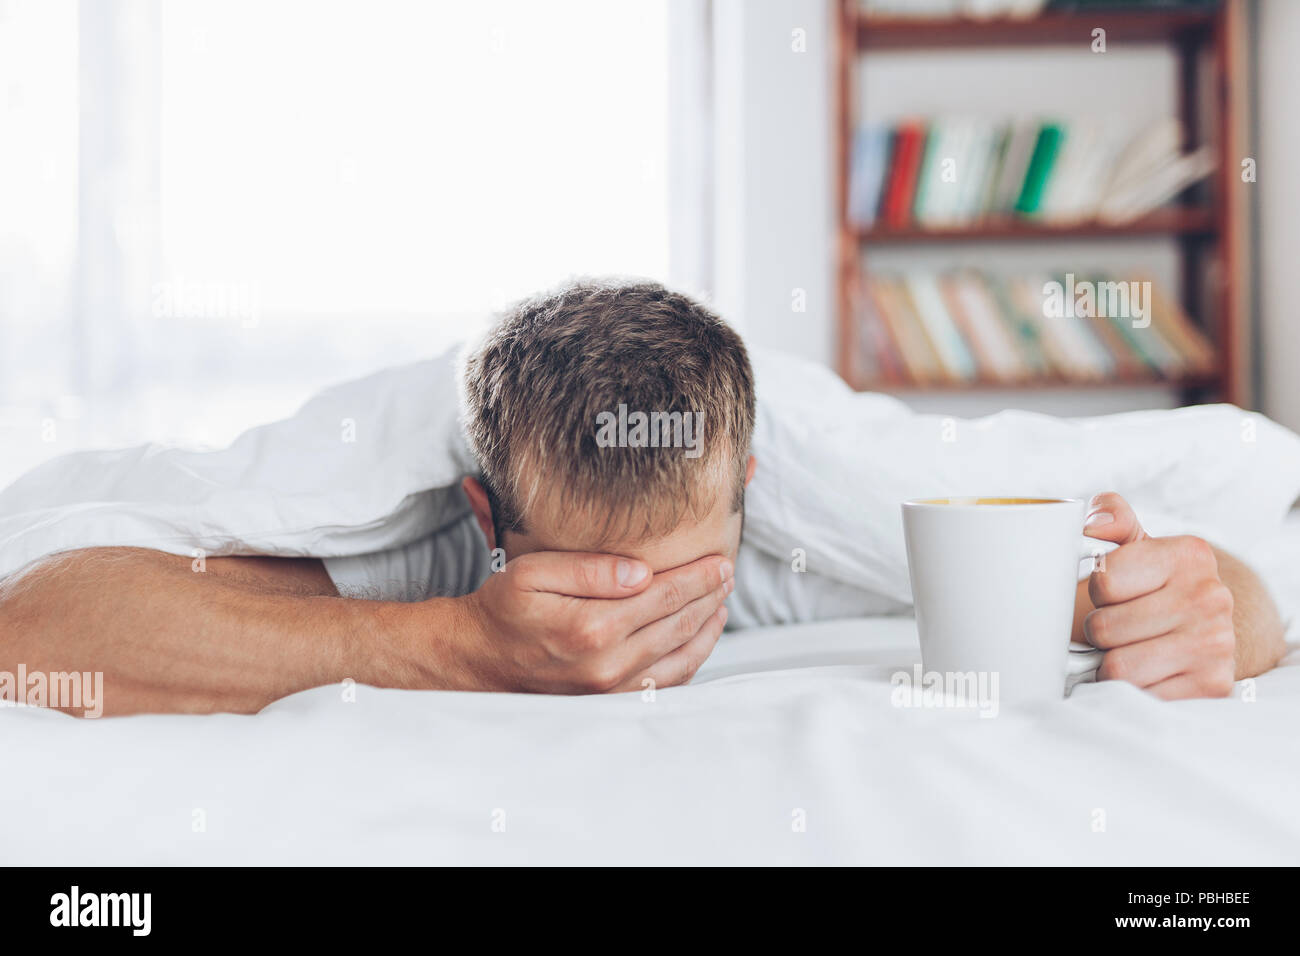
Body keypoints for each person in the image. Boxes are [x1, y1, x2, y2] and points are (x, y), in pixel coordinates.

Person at [0, 280, 1284, 715]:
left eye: (685, 578)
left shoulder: (812, 516)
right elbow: (37, 627)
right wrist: (454, 644)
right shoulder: (428, 540)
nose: (641, 626)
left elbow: (1233, 555)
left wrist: (1199, 600)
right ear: (489, 522)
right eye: (591, 582)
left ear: (748, 492)